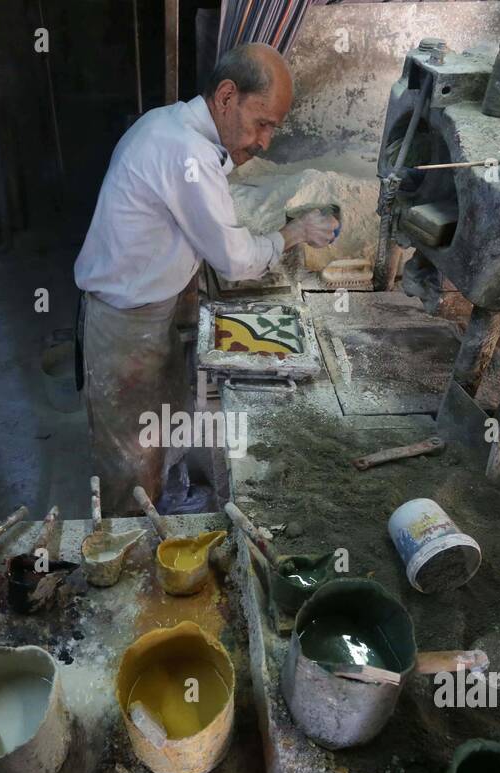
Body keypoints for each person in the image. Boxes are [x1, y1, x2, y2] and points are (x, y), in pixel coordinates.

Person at [74, 42, 339, 515]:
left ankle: (167, 502)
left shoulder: (171, 123)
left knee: (166, 416)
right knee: (128, 455)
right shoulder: (184, 151)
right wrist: (293, 233)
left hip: (148, 313)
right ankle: (128, 551)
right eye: (263, 123)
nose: (264, 142)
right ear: (226, 96)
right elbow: (235, 262)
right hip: (123, 325)